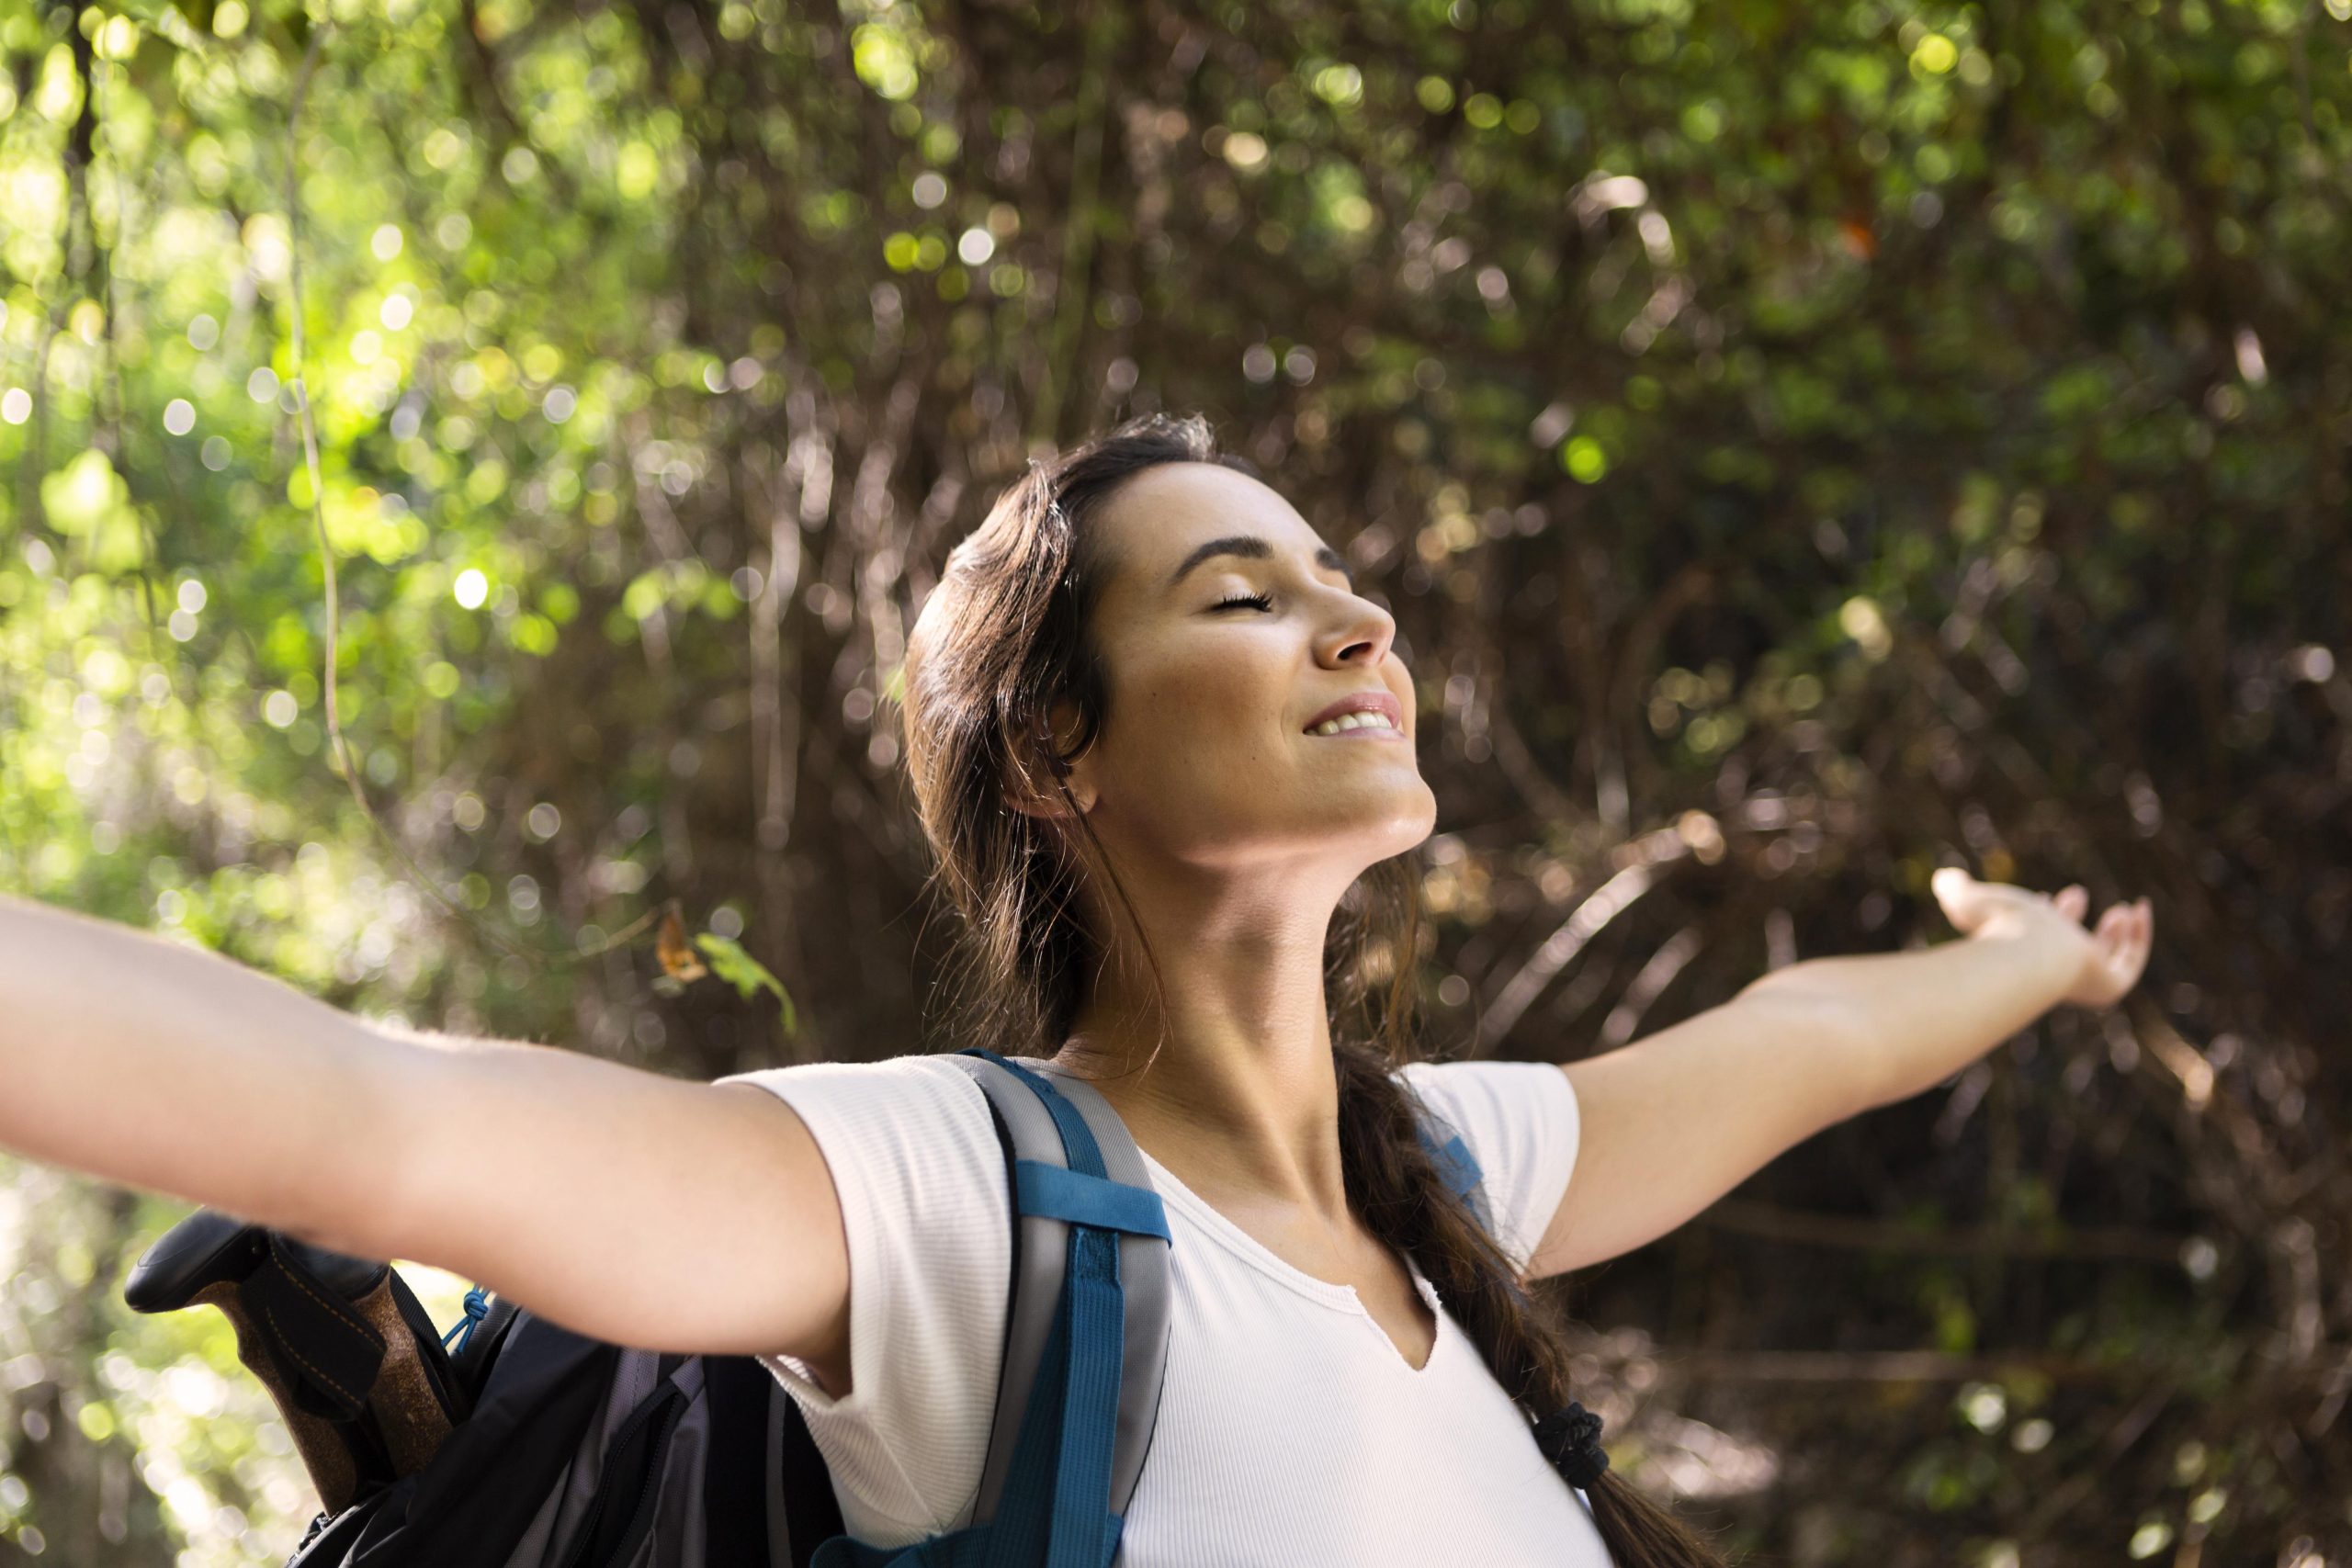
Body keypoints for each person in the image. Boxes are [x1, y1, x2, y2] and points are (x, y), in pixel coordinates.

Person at [0, 412, 2154, 1567]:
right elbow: (372, 1111)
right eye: (1241, 595)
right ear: (1056, 752)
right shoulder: (963, 1202)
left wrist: (2031, 957)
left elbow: (1798, 1042)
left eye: (1341, 582)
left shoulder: (1440, 1170)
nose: (1356, 624)